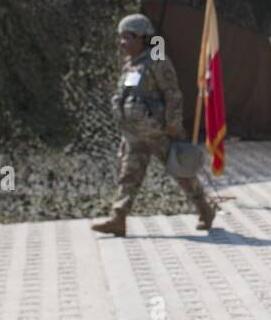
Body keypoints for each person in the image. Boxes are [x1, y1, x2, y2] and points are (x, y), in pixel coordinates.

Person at [91, 13, 216, 237]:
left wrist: (173, 124)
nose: (122, 43)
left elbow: (173, 94)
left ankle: (204, 209)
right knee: (128, 173)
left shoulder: (157, 60)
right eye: (120, 37)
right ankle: (119, 217)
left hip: (159, 130)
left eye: (128, 37)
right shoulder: (131, 65)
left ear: (143, 38)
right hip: (135, 133)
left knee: (181, 172)